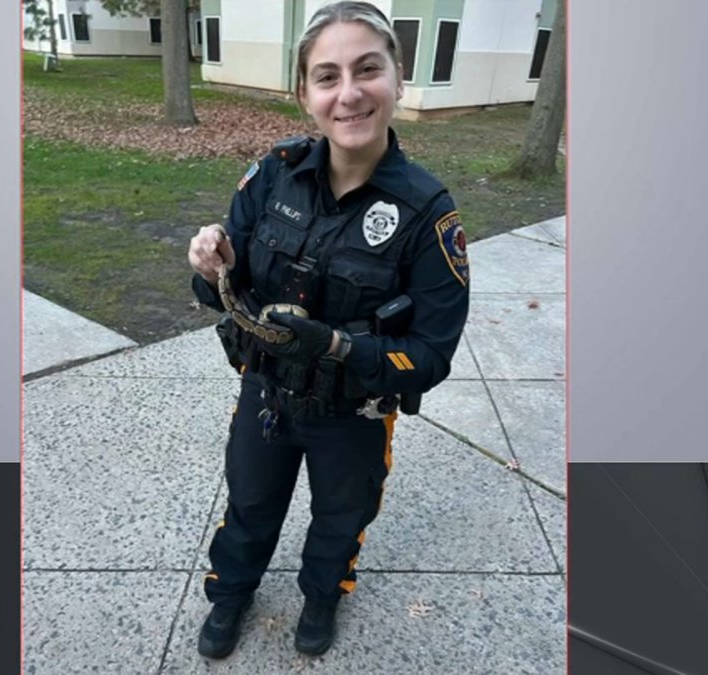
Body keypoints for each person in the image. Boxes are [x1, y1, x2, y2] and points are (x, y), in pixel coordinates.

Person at [186, 0, 470, 659]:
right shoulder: (271, 174)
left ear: (397, 78)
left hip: (356, 412)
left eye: (367, 69)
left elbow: (430, 356)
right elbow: (222, 292)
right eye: (327, 76)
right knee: (249, 504)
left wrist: (343, 348)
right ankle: (231, 592)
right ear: (304, 94)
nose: (349, 93)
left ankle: (321, 596)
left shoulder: (428, 214)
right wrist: (210, 264)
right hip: (265, 392)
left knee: (342, 519)